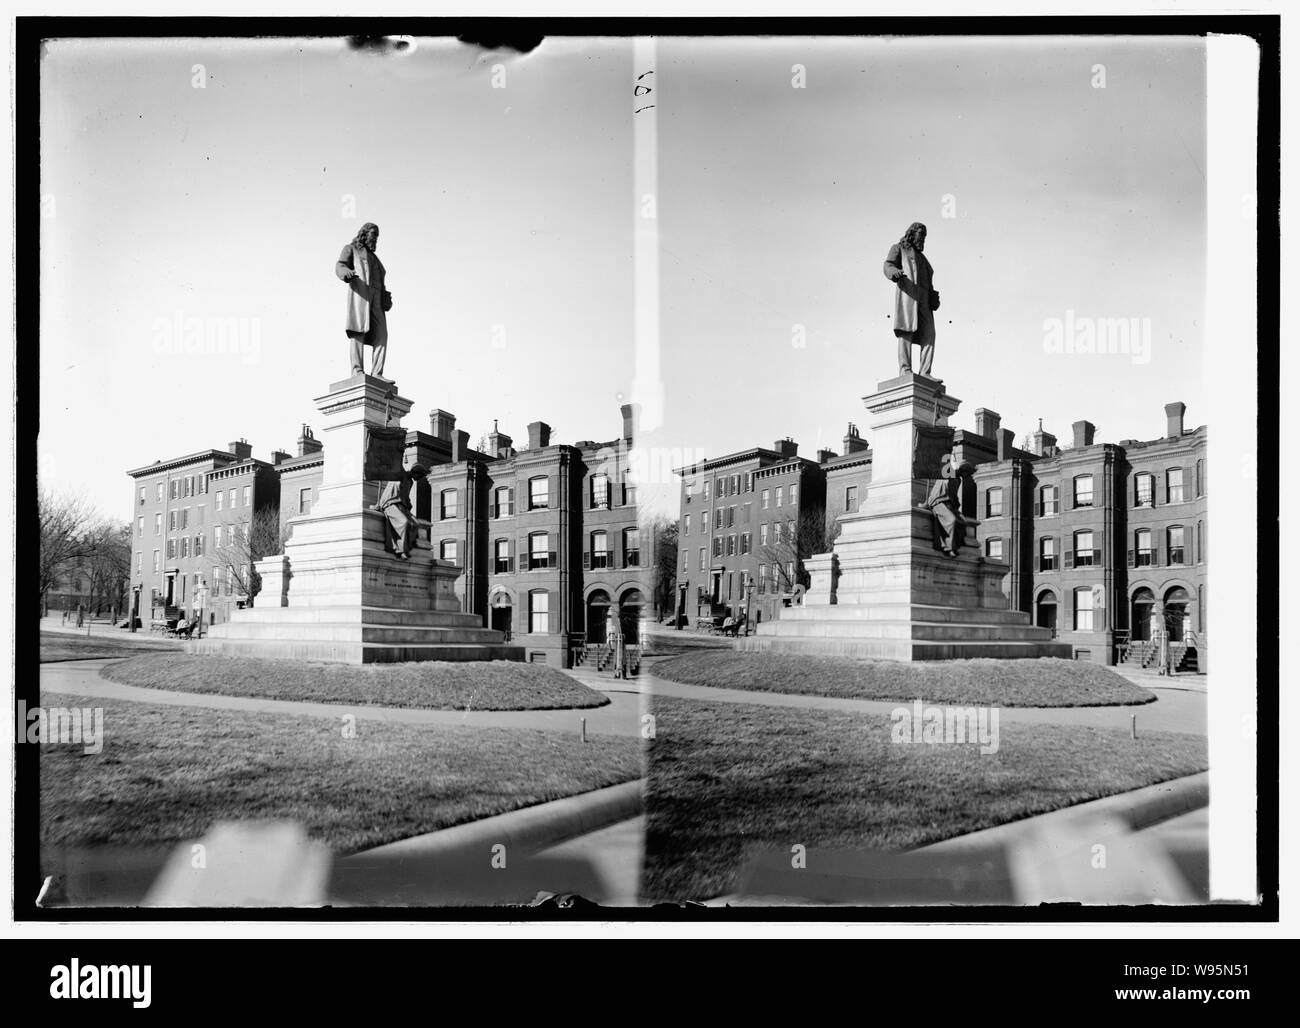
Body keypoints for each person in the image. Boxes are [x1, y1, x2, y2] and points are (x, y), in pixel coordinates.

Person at [883, 221, 941, 376]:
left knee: (929, 334)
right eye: (921, 234)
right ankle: (905, 369)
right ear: (912, 233)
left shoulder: (924, 259)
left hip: (924, 301)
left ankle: (925, 372)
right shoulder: (899, 249)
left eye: (925, 236)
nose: (923, 238)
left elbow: (929, 282)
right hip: (909, 297)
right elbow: (888, 264)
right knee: (906, 330)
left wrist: (933, 296)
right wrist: (893, 271)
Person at [336, 222, 393, 378]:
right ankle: (357, 370)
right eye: (374, 234)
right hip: (361, 295)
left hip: (377, 300)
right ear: (365, 233)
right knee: (358, 332)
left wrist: (386, 296)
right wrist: (346, 272)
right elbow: (340, 265)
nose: (375, 239)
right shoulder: (351, 249)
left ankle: (377, 373)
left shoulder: (376, 259)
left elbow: (381, 280)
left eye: (377, 236)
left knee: (382, 335)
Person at [373, 464, 428, 559]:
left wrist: (408, 504)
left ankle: (408, 547)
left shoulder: (410, 482)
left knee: (415, 524)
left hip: (402, 506)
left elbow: (405, 496)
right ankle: (400, 550)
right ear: (416, 473)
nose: (419, 479)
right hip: (390, 504)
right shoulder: (400, 475)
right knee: (404, 522)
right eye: (420, 476)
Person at [924, 461, 972, 558]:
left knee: (963, 521)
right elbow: (936, 492)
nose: (968, 476)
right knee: (952, 520)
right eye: (968, 473)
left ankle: (957, 545)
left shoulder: (958, 480)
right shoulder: (948, 476)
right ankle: (948, 548)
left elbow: (954, 496)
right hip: (939, 503)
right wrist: (928, 503)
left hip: (949, 504)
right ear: (963, 470)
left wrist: (956, 506)